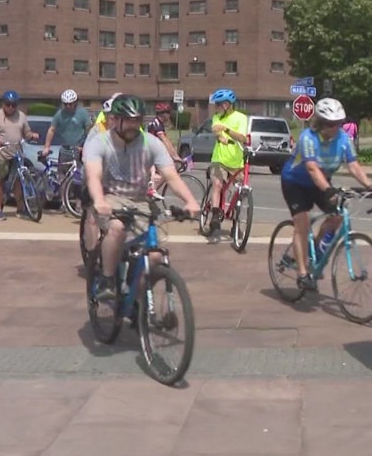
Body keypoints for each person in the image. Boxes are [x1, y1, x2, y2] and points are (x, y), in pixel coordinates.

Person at [82, 94, 200, 300]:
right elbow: (93, 176)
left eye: (137, 120)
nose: (133, 125)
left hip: (140, 201)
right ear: (115, 120)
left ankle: (137, 303)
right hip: (110, 197)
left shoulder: (151, 143)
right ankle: (107, 279)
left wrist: (190, 201)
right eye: (128, 120)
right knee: (117, 229)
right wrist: (99, 201)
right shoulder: (100, 143)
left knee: (154, 257)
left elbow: (170, 176)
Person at [280, 97, 372, 291]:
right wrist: (329, 190)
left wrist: (370, 186)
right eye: (331, 124)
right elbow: (313, 169)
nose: (335, 128)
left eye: (338, 123)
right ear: (320, 123)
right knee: (303, 223)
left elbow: (353, 165)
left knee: (338, 215)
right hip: (295, 182)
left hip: (321, 182)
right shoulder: (308, 137)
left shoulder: (343, 139)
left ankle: (313, 250)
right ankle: (302, 272)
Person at [0, 90, 38, 221]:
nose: (11, 107)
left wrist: (32, 135)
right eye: (8, 104)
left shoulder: (21, 116)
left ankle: (21, 209)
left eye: (13, 105)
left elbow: (26, 133)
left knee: (19, 181)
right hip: (0, 153)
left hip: (16, 152)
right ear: (3, 104)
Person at [206, 88, 248, 235]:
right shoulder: (217, 117)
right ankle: (216, 216)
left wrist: (227, 131)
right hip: (219, 159)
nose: (216, 107)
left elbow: (242, 138)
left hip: (236, 161)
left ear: (228, 104)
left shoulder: (241, 118)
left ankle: (236, 224)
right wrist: (220, 136)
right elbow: (215, 129)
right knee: (217, 184)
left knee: (241, 192)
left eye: (219, 104)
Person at [41, 89, 93, 162]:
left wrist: (85, 146)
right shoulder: (60, 114)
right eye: (65, 104)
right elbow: (51, 130)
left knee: (79, 172)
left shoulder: (82, 113)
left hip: (79, 149)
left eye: (70, 104)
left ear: (75, 102)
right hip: (64, 149)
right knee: (61, 171)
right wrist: (47, 147)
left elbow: (89, 130)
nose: (68, 106)